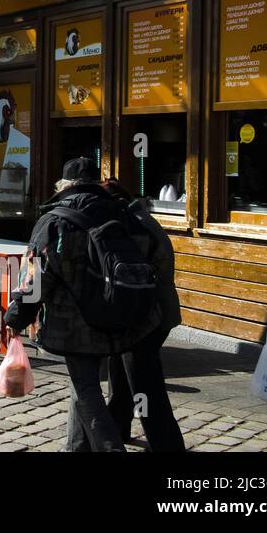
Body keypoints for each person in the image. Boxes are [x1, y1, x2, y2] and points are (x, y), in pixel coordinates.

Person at [4, 158, 163, 452]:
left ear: (63, 187)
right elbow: (150, 254)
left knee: (86, 387)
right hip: (119, 313)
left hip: (74, 323)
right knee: (83, 381)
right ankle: (75, 448)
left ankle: (110, 448)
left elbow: (35, 280)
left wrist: (16, 317)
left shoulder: (54, 221)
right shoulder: (123, 213)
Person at [99, 177, 186, 452]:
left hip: (146, 316)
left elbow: (131, 281)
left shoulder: (132, 226)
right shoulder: (137, 216)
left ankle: (166, 444)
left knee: (146, 385)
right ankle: (118, 426)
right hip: (149, 312)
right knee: (121, 374)